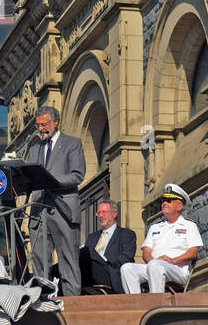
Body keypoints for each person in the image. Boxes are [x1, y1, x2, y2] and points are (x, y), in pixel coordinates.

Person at [26, 105, 86, 295]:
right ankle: (41, 301)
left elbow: (77, 175)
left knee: (68, 259)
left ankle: (73, 305)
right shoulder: (35, 149)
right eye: (38, 126)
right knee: (39, 261)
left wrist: (51, 181)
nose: (41, 129)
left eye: (44, 125)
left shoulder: (72, 144)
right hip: (39, 211)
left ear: (56, 122)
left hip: (63, 210)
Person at [121, 183, 202, 293]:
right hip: (155, 266)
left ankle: (156, 303)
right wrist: (152, 263)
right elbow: (146, 252)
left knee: (155, 265)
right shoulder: (155, 227)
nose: (164, 203)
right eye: (163, 200)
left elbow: (193, 253)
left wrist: (173, 260)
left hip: (177, 270)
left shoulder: (189, 226)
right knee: (127, 268)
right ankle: (135, 303)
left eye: (168, 200)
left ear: (179, 206)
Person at [80, 199, 137, 293]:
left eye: (104, 212)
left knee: (85, 252)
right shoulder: (92, 237)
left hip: (110, 274)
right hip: (91, 272)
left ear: (114, 214)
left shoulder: (127, 235)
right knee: (64, 264)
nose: (100, 216)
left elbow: (125, 259)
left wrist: (103, 261)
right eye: (98, 213)